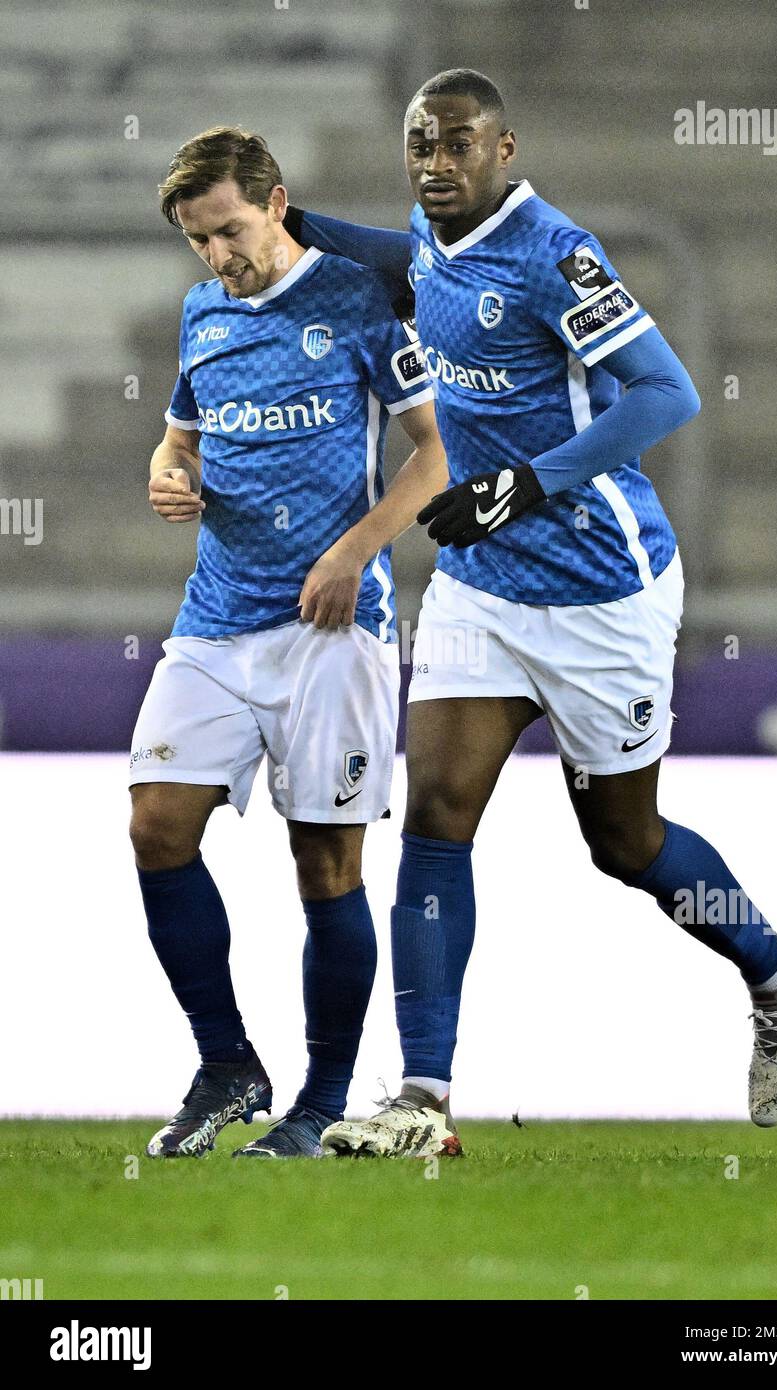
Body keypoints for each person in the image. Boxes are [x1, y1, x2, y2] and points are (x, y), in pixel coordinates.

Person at [280, 70, 777, 1158]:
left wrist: (523, 485)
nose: (436, 162)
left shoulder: (556, 254)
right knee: (436, 813)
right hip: (482, 587)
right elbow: (407, 266)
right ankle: (423, 1100)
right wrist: (290, 222)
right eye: (420, 144)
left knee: (624, 842)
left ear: (505, 149)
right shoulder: (433, 236)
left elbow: (665, 392)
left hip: (600, 590)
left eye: (457, 144)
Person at [129, 126, 446, 1159]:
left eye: (228, 230)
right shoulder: (203, 312)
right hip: (217, 618)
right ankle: (227, 1064)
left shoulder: (357, 299)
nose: (217, 255)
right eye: (197, 240)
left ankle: (319, 1104)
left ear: (275, 202)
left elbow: (434, 454)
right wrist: (169, 472)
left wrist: (353, 552)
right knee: (156, 825)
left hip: (332, 632)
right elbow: (179, 436)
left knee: (325, 861)